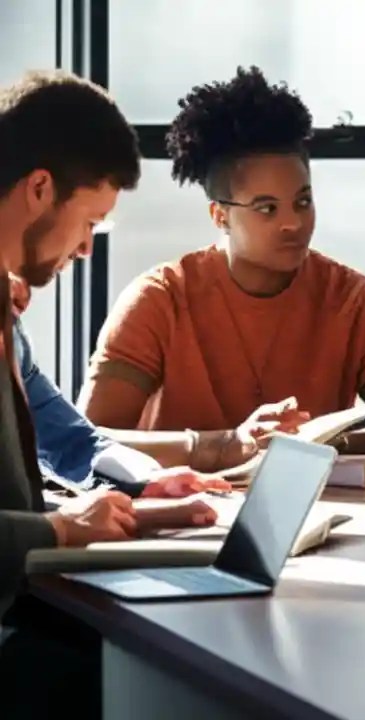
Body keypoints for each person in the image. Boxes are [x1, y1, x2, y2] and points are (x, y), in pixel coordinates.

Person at [77, 66, 365, 472]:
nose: (292, 222)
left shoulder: (350, 300)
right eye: (267, 208)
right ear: (220, 216)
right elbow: (88, 442)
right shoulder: (160, 299)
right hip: (181, 518)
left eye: (303, 201)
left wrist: (315, 447)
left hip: (313, 516)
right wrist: (223, 445)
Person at [0, 69, 212, 719]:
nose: (88, 249)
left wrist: (145, 495)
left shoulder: (8, 321)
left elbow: (70, 436)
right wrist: (64, 525)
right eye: (89, 220)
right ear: (40, 188)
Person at [9, 276, 232, 499]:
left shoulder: (13, 336)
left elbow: (75, 441)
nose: (86, 249)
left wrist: (148, 480)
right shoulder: (162, 294)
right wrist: (66, 522)